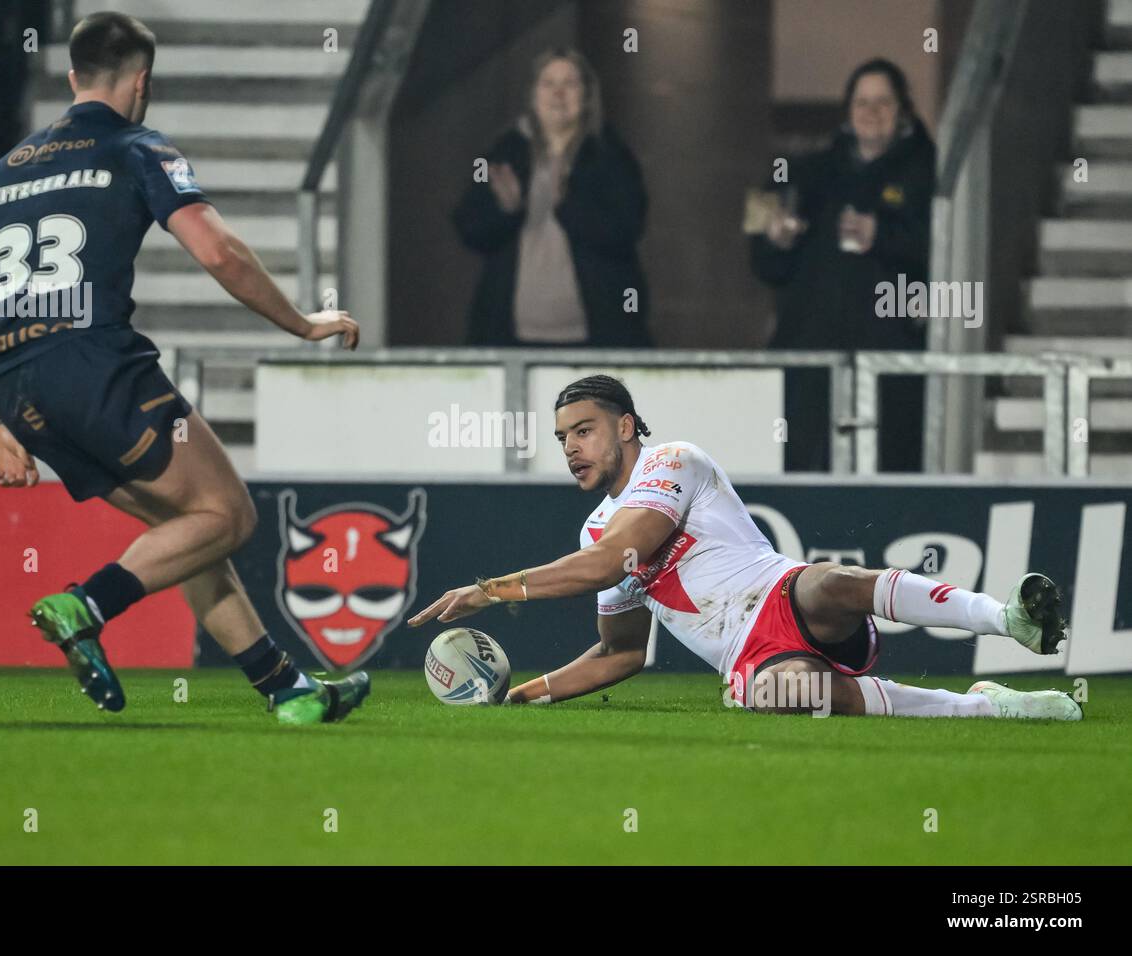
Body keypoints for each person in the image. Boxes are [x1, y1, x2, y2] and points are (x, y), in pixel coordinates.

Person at [0, 11, 369, 724]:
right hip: (93, 363)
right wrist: (302, 322)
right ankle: (83, 606)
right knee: (229, 515)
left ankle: (287, 692)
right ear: (142, 80)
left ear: (74, 75)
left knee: (187, 529)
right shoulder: (137, 146)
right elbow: (218, 252)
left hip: (15, 383)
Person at [410, 375, 1080, 720]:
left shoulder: (672, 461)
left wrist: (491, 590)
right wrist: (522, 696)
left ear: (623, 426)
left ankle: (1008, 620)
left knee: (830, 581)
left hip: (789, 598)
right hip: (755, 659)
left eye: (583, 431)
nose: (572, 448)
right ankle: (988, 707)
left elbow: (617, 558)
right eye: (562, 439)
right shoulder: (593, 530)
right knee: (782, 697)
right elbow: (621, 653)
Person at [750, 58, 934, 472]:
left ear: (903, 110)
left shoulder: (933, 175)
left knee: (887, 471)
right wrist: (774, 237)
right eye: (861, 102)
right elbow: (761, 250)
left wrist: (882, 236)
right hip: (810, 359)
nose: (871, 112)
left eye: (883, 102)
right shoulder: (809, 171)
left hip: (891, 362)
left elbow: (950, 252)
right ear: (848, 111)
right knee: (802, 471)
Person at [452, 48, 651, 348]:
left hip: (597, 336)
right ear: (533, 95)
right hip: (511, 338)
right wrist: (506, 210)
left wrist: (569, 205)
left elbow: (626, 230)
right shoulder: (504, 152)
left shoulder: (610, 155)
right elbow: (469, 230)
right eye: (548, 84)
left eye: (570, 84)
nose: (559, 93)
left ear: (586, 95)